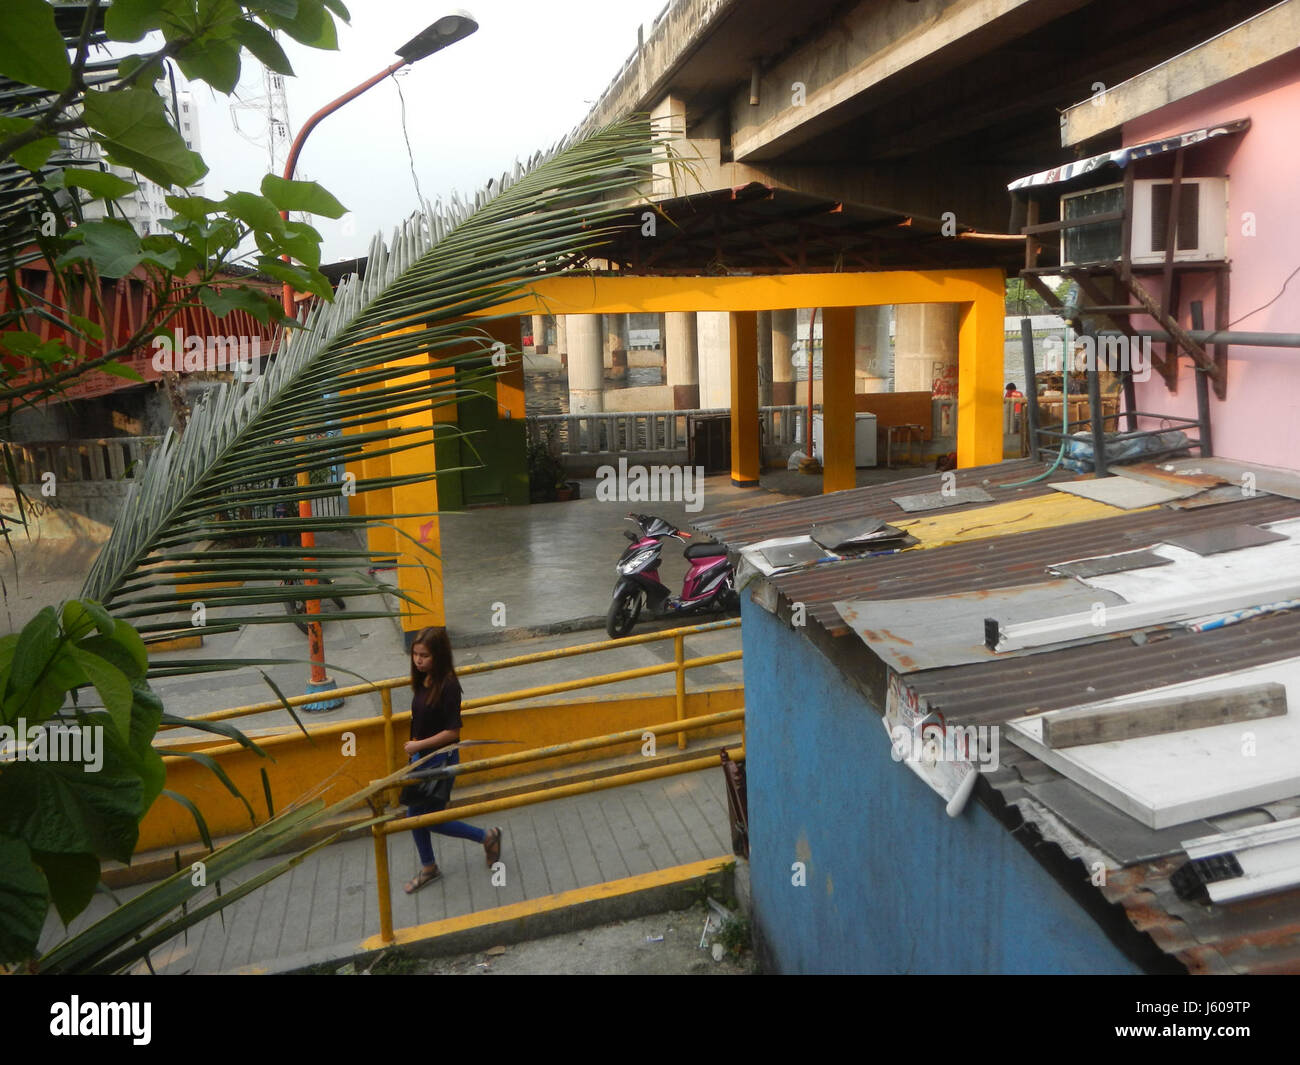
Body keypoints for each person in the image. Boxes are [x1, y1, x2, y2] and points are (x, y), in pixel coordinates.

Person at [403, 626, 502, 893]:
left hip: (441, 760)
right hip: (421, 759)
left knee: (430, 819)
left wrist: (418, 744)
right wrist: (415, 751)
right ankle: (429, 867)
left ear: (439, 655)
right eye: (415, 654)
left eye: (424, 655)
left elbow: (452, 732)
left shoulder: (448, 685)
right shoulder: (423, 679)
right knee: (413, 815)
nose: (418, 660)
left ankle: (486, 837)